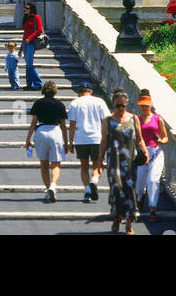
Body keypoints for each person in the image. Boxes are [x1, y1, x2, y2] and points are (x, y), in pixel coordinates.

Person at [95, 88, 147, 234]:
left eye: (122, 106)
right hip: (114, 162)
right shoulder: (108, 120)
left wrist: (146, 152)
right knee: (117, 189)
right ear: (113, 104)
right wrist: (99, 160)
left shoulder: (134, 118)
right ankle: (118, 218)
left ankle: (129, 224)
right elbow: (104, 140)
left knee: (130, 191)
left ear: (127, 104)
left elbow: (140, 139)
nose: (120, 109)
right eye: (117, 106)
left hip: (131, 161)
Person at [23, 82, 69, 203]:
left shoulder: (38, 103)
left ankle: (48, 189)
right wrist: (66, 141)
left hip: (41, 131)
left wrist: (28, 139)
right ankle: (53, 186)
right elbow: (63, 125)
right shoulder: (60, 104)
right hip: (55, 131)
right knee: (56, 164)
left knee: (44, 164)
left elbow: (33, 122)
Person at [66, 80, 110, 202]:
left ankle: (87, 190)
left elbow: (72, 125)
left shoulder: (74, 103)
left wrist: (71, 142)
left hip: (80, 139)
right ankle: (94, 181)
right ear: (90, 91)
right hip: (96, 138)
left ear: (79, 92)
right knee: (98, 164)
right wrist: (106, 136)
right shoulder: (99, 101)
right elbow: (105, 121)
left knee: (84, 166)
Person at [134, 93, 169, 222]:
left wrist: (160, 140)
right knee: (140, 183)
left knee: (153, 180)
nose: (144, 108)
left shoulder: (158, 119)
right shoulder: (136, 119)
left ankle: (152, 209)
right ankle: (140, 196)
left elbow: (165, 137)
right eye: (142, 106)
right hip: (142, 153)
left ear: (151, 106)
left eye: (147, 106)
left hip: (156, 152)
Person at [21, 2, 44, 89]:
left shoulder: (36, 17)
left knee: (30, 64)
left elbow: (39, 30)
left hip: (31, 43)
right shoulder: (26, 18)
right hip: (25, 43)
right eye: (25, 8)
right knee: (27, 65)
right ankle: (29, 84)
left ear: (31, 9)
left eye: (27, 8)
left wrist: (30, 38)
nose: (25, 9)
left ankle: (38, 84)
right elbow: (24, 34)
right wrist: (20, 49)